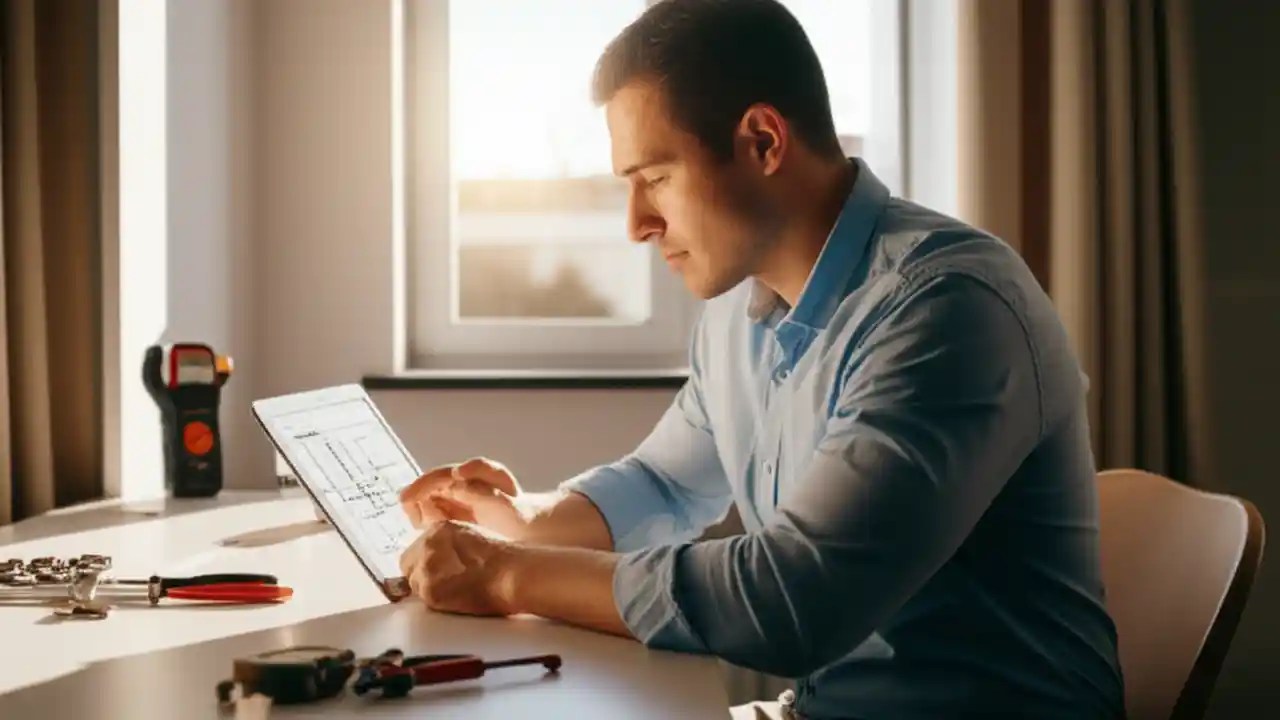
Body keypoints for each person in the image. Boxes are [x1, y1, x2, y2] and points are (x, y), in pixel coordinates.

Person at [397, 1, 1125, 718]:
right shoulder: (736, 318)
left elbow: (794, 601)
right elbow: (662, 483)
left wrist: (509, 575)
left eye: (654, 179)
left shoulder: (947, 310)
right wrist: (518, 520)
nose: (636, 225)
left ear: (764, 142)